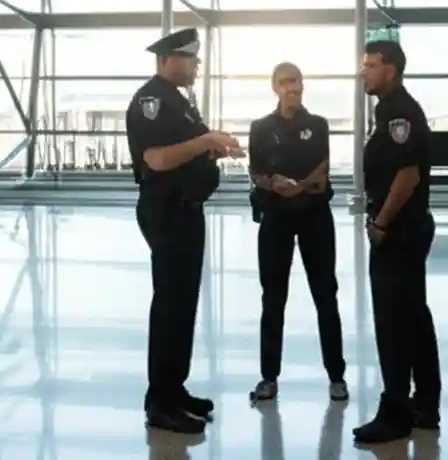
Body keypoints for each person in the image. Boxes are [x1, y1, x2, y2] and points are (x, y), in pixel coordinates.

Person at [126, 27, 244, 434]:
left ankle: (174, 389)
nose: (196, 66)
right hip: (167, 211)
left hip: (186, 211)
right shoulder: (152, 102)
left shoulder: (179, 102)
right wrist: (204, 141)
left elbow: (191, 144)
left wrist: (215, 143)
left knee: (184, 306)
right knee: (170, 306)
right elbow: (157, 159)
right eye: (190, 58)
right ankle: (160, 401)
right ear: (166, 60)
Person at [352, 39, 442, 444]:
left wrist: (382, 224)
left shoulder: (399, 112)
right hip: (409, 229)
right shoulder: (389, 110)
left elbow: (408, 176)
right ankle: (425, 403)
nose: (363, 72)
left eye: (370, 65)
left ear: (390, 68)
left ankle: (396, 412)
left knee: (393, 323)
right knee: (414, 318)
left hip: (399, 232)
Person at [247, 61, 348, 404]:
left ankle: (336, 375)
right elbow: (256, 170)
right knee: (272, 298)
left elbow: (323, 166)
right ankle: (268, 377)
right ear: (275, 87)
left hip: (314, 217)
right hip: (276, 217)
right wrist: (273, 183)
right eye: (286, 82)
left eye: (297, 82)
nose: (293, 87)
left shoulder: (317, 125)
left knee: (325, 294)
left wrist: (299, 186)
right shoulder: (260, 128)